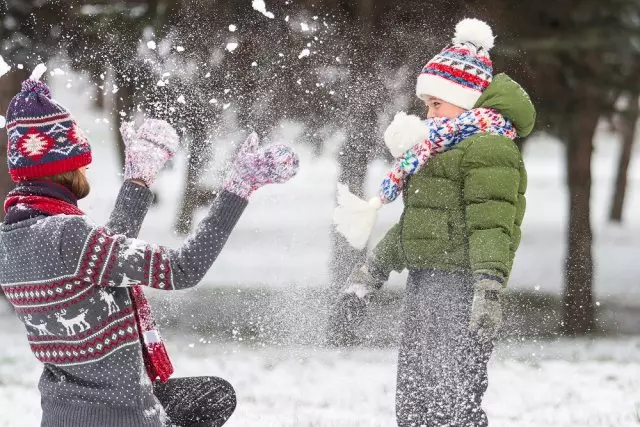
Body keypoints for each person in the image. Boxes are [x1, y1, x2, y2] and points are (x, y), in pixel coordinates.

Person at [0, 77, 299, 427]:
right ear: (62, 170)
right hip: (123, 414)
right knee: (214, 400)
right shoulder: (69, 234)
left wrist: (138, 181)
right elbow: (183, 268)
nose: (86, 171)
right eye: (81, 163)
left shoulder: (11, 240)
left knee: (213, 394)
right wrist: (239, 188)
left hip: (63, 415)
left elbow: (104, 264)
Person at [330, 18, 536, 426]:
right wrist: (369, 274)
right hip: (425, 285)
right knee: (416, 397)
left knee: (454, 397)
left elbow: (492, 224)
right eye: (427, 104)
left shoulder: (489, 149)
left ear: (467, 98)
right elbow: (416, 225)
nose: (428, 113)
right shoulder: (436, 152)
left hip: (461, 289)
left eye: (436, 103)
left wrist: (488, 288)